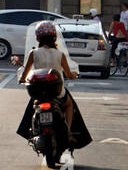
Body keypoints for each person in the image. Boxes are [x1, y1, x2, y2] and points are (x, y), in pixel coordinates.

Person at [18, 21, 91, 154]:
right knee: (69, 105)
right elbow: (68, 74)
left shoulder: (33, 53)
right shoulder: (60, 54)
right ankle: (68, 131)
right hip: (57, 91)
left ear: (37, 37)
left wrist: (22, 79)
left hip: (39, 91)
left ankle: (30, 131)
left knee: (31, 107)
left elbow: (25, 73)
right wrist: (74, 75)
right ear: (54, 37)